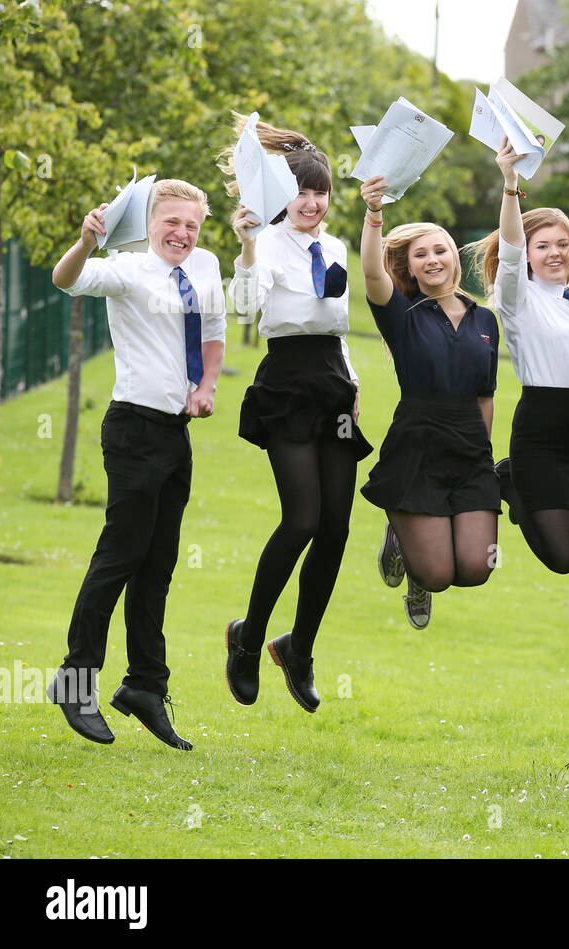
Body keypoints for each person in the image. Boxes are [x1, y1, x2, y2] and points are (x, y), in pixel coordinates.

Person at [46, 178, 226, 751]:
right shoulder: (125, 267)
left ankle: (146, 686)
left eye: (192, 225)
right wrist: (84, 241)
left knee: (158, 565)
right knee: (120, 554)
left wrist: (208, 387)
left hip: (176, 434)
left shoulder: (207, 266)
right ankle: (75, 681)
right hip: (132, 428)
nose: (182, 233)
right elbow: (65, 279)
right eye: (172, 222)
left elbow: (216, 333)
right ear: (150, 221)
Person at [220, 116, 372, 714]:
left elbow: (337, 328)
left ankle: (299, 647)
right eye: (300, 193)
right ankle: (249, 637)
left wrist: (354, 383)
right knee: (303, 519)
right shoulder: (268, 241)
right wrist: (248, 245)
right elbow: (244, 311)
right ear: (282, 195)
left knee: (337, 527)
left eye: (319, 192)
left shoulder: (333, 246)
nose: (310, 203)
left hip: (334, 383)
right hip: (287, 385)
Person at [358, 174, 500, 628]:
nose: (433, 259)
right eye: (421, 254)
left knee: (478, 568)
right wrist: (375, 213)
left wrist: (484, 454)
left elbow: (486, 395)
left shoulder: (485, 320)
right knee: (437, 575)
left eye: (440, 250)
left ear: (454, 257)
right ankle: (409, 550)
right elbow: (371, 271)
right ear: (411, 268)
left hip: (470, 450)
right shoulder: (402, 315)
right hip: (417, 445)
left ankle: (413, 542)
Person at [471, 140, 569, 576]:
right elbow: (507, 253)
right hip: (543, 429)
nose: (556, 253)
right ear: (529, 253)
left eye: (563, 244)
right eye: (543, 245)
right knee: (564, 560)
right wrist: (511, 183)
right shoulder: (517, 298)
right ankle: (513, 483)